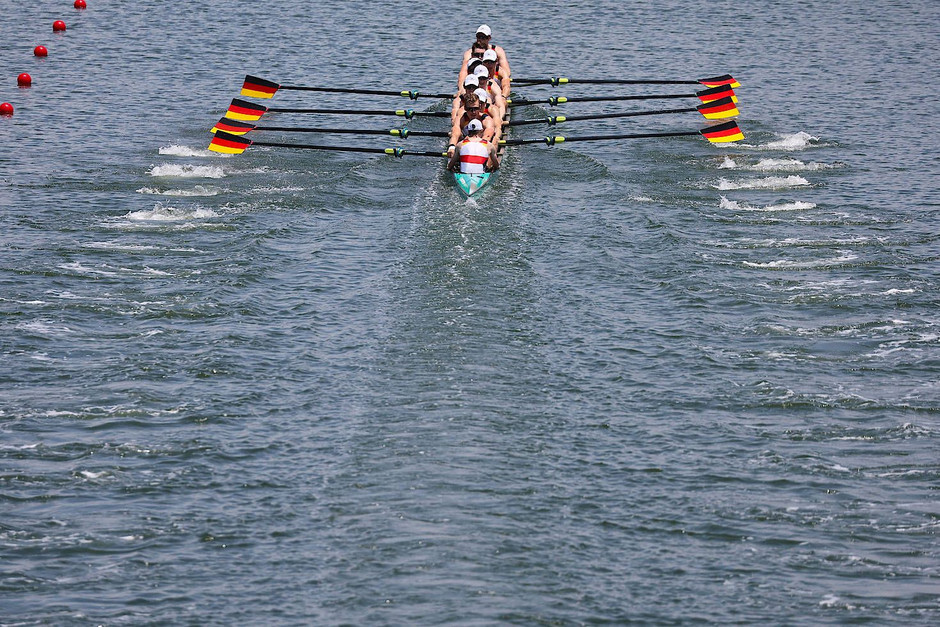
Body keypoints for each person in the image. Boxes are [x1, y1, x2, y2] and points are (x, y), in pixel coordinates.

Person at [457, 24, 511, 96]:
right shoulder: (469, 53)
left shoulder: (498, 51)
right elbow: (462, 75)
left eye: (483, 37)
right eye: (478, 37)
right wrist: (462, 90)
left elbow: (507, 73)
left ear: (489, 38)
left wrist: (503, 94)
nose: (480, 39)